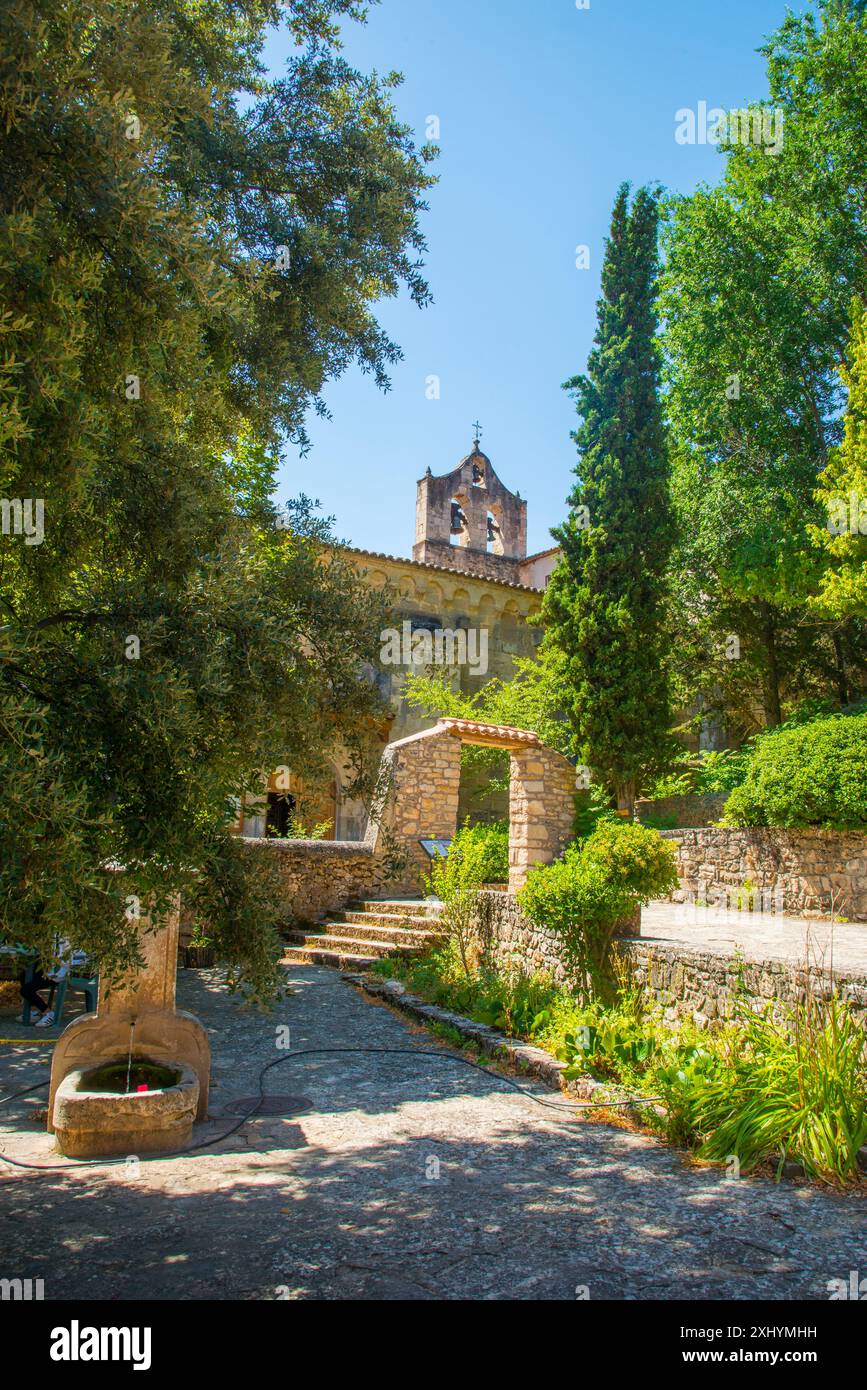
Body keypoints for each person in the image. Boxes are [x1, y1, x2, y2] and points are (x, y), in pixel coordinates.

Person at [19, 941, 88, 1027]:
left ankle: (48, 1013)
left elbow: (68, 959)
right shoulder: (57, 932)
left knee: (26, 989)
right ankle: (34, 1012)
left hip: (61, 972)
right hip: (53, 967)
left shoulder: (70, 936)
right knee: (24, 976)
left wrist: (51, 957)